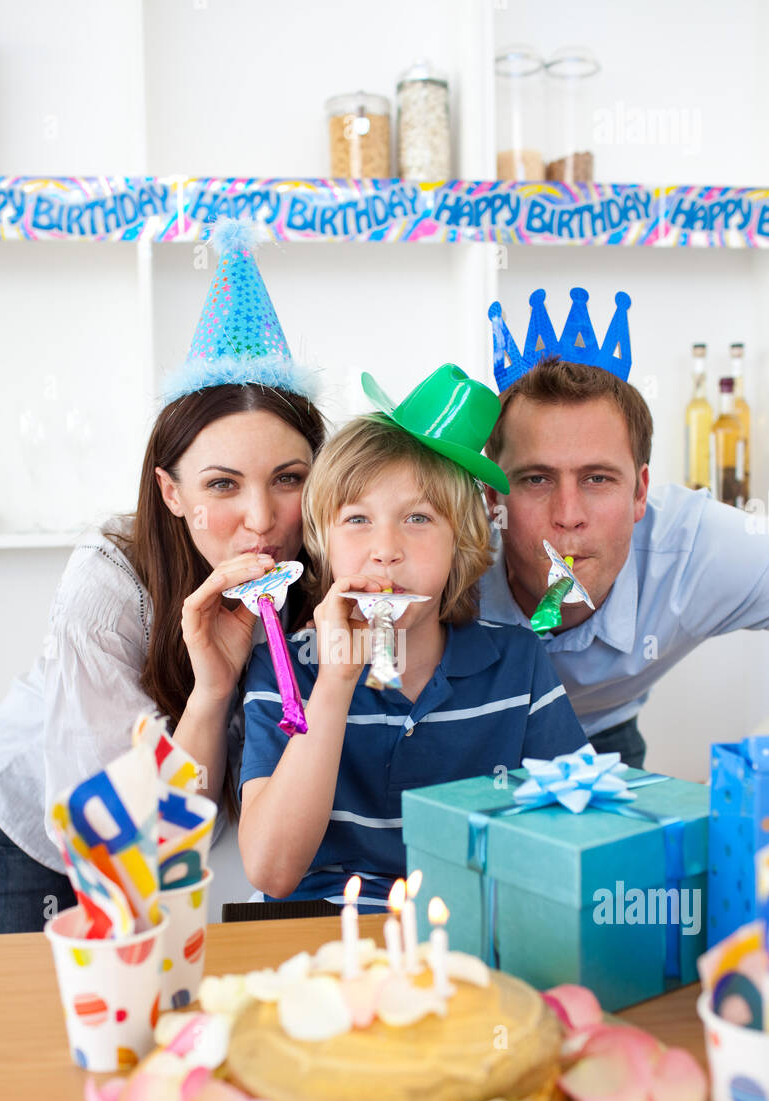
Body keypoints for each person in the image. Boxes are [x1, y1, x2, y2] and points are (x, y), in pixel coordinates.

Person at [0, 219, 324, 934]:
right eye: (222, 485)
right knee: (48, 1031)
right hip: (47, 830)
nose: (259, 518)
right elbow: (131, 845)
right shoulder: (108, 589)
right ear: (171, 492)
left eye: (289, 479)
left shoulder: (322, 564)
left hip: (181, 839)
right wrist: (214, 689)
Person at [237, 365, 588, 908]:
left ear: (463, 543)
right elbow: (272, 871)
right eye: (357, 520)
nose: (386, 549)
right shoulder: (285, 669)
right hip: (314, 940)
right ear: (323, 544)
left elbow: (576, 832)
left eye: (419, 518)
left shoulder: (518, 665)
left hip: (463, 933)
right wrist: (335, 681)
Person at [480, 290, 769, 769]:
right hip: (466, 730)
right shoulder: (444, 550)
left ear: (640, 492)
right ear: (493, 495)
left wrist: (759, 770)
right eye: (536, 479)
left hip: (601, 734)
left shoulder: (690, 548)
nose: (568, 514)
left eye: (597, 478)